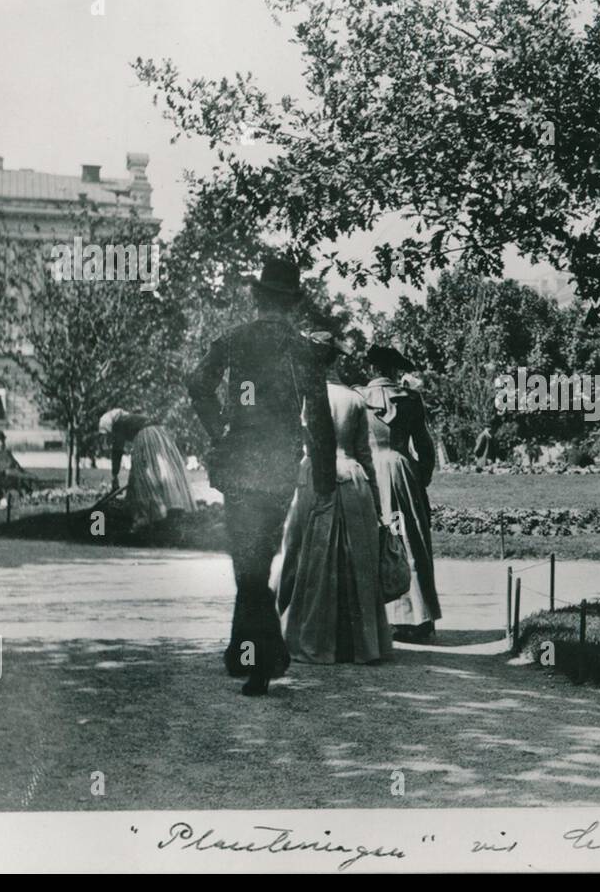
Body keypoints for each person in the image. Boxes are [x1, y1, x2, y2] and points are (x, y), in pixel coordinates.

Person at [187, 251, 337, 697]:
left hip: (239, 463)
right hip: (278, 468)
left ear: (258, 298)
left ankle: (256, 658)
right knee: (258, 560)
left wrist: (218, 429)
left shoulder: (235, 339)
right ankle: (251, 653)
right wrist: (325, 478)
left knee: (246, 563)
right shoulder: (303, 349)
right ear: (291, 303)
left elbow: (197, 383)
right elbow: (320, 416)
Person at [280, 333, 393, 664]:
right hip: (352, 479)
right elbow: (364, 454)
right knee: (356, 561)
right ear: (335, 359)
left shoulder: (303, 396)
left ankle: (311, 635)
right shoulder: (354, 399)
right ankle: (356, 644)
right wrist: (376, 500)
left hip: (315, 476)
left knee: (307, 555)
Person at [360, 344, 442, 642]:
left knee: (376, 540)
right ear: (395, 369)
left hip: (370, 470)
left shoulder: (359, 397)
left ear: (371, 368)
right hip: (403, 469)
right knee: (411, 539)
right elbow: (425, 447)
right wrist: (419, 478)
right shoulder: (410, 399)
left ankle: (382, 618)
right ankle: (418, 618)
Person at [98, 408, 195, 529]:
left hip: (147, 436)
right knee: (163, 471)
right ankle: (172, 507)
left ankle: (153, 515)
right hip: (161, 434)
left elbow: (117, 450)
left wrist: (115, 475)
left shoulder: (119, 423)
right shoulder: (130, 418)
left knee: (143, 477)